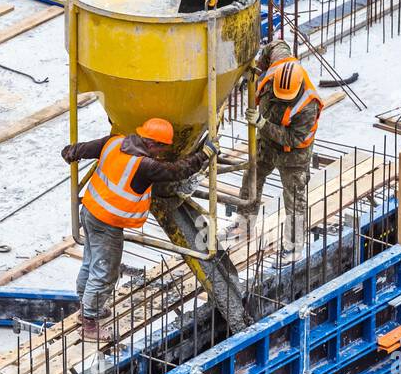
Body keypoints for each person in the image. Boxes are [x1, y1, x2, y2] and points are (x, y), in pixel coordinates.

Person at [61, 118, 210, 342]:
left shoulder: (113, 142)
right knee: (105, 272)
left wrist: (70, 151)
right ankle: (90, 324)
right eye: (162, 148)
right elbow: (179, 171)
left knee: (91, 261)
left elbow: (78, 150)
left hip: (90, 211)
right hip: (107, 221)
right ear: (153, 144)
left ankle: (87, 309)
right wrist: (205, 154)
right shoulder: (144, 165)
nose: (161, 154)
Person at [227, 40, 323, 256]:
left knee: (295, 200)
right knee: (251, 179)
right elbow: (275, 44)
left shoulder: (308, 106)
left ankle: (293, 246)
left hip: (293, 156)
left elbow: (293, 138)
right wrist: (257, 70)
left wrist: (262, 124)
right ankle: (244, 225)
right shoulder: (279, 63)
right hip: (266, 145)